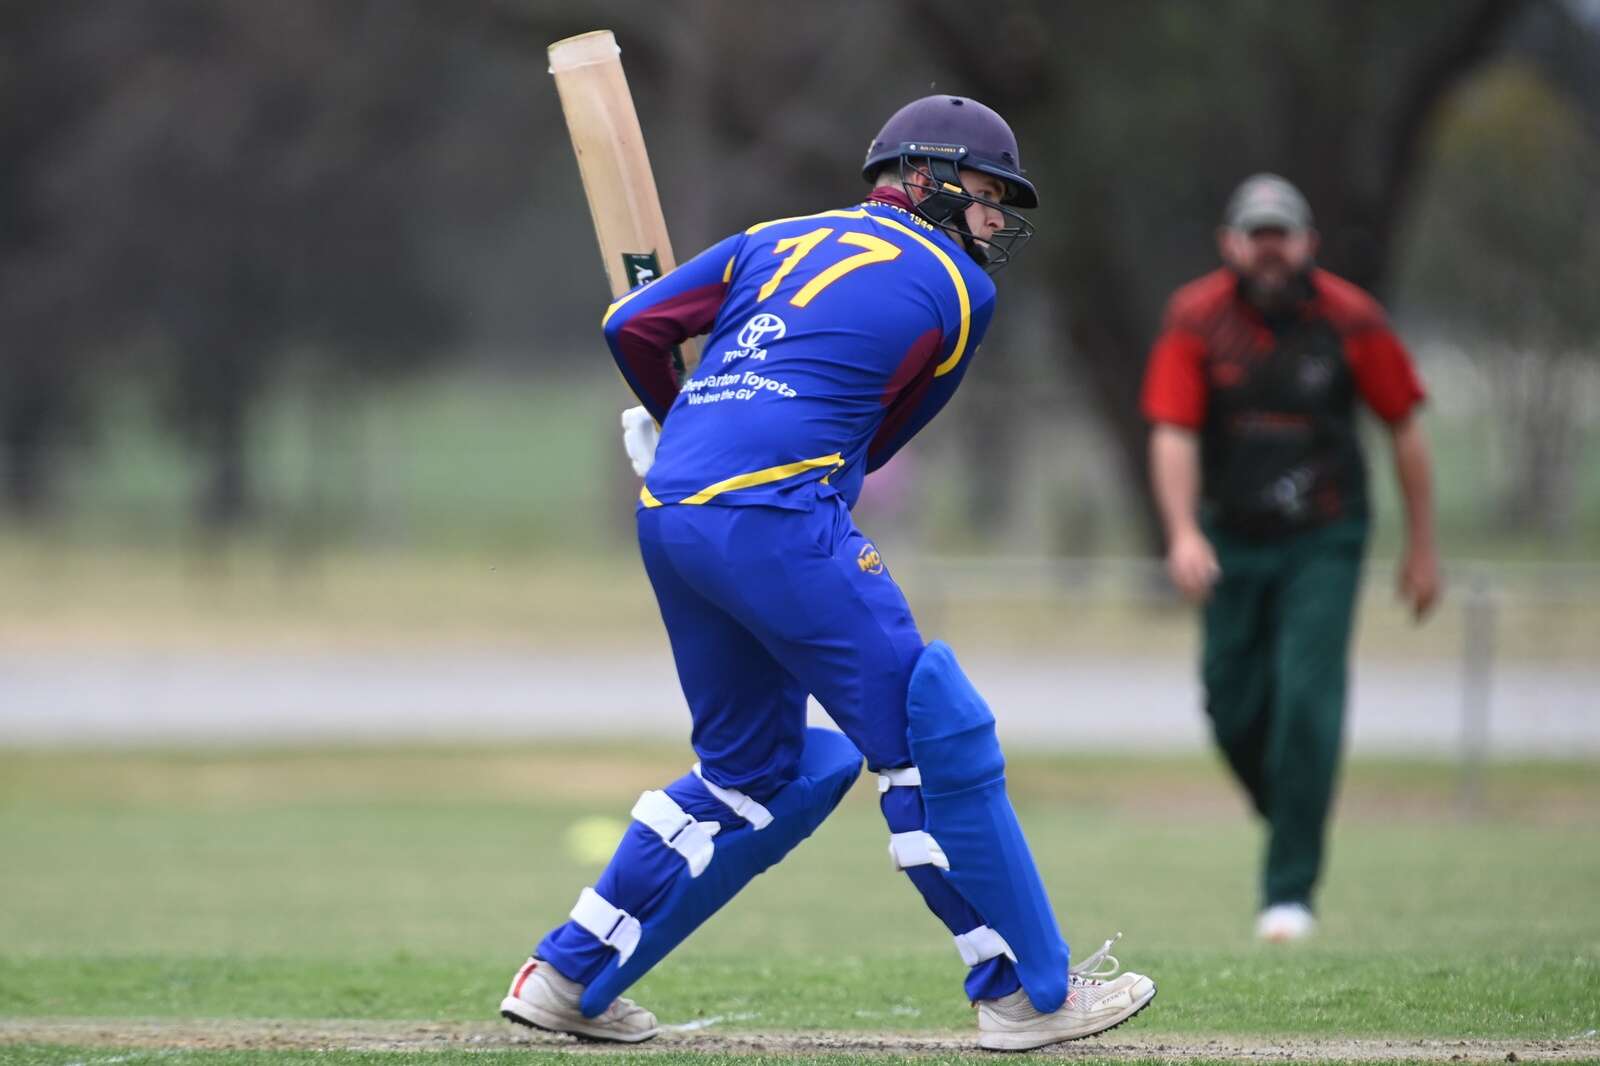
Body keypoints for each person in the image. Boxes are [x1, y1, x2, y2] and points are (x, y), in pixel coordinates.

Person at [500, 95, 1156, 1050]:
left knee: (764, 770)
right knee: (934, 735)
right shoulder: (963, 292)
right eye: (984, 195)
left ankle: (567, 977)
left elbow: (633, 325)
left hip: (672, 511)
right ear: (923, 180)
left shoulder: (772, 237)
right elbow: (872, 451)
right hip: (777, 514)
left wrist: (681, 418)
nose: (992, 221)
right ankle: (1026, 992)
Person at [1140, 173, 1441, 942]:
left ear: (1307, 242)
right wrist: (1182, 533)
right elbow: (1172, 432)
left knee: (1307, 702)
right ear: (1231, 244)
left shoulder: (1351, 319)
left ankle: (1288, 893)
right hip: (1232, 535)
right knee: (1229, 701)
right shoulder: (1196, 318)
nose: (1270, 250)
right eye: (1256, 236)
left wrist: (1422, 549)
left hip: (1325, 536)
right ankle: (1295, 812)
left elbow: (1403, 427)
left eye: (1283, 236)